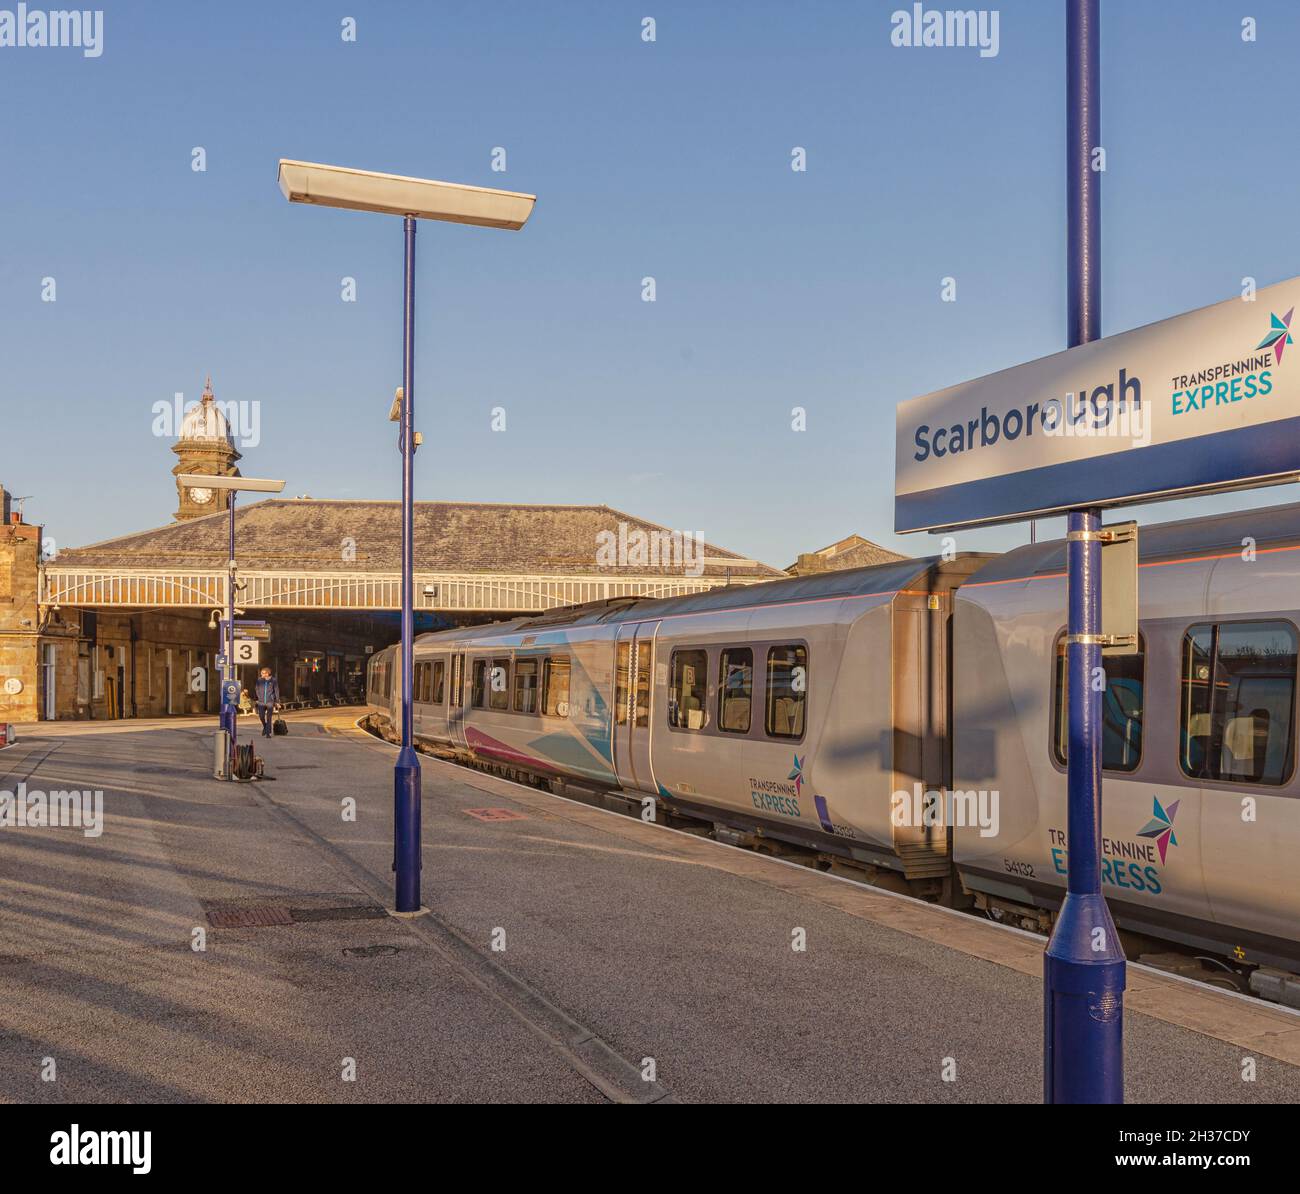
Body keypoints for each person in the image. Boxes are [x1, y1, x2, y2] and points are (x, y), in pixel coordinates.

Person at [254, 667, 280, 738]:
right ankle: (265, 727)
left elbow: (276, 690)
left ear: (268, 673)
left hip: (270, 701)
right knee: (261, 716)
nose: (261, 674)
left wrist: (277, 701)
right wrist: (257, 697)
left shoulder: (273, 680)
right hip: (261, 701)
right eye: (261, 673)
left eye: (263, 673)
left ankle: (268, 733)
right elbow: (256, 689)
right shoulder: (259, 680)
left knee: (269, 718)